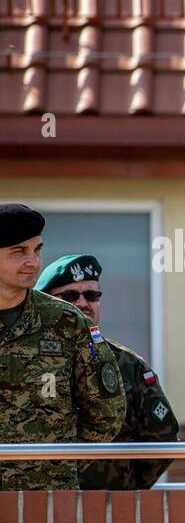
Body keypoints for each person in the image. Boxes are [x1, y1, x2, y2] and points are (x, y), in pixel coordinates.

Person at [0, 205, 126, 490]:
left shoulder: (67, 323)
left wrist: (57, 464)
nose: (32, 261)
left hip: (47, 498)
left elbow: (107, 411)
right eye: (19, 252)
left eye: (37, 250)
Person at [36, 253, 179, 489]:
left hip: (109, 509)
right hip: (34, 503)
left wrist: (126, 486)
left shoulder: (128, 364)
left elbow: (162, 438)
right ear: (46, 302)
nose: (82, 303)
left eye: (91, 295)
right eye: (70, 296)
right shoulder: (22, 359)